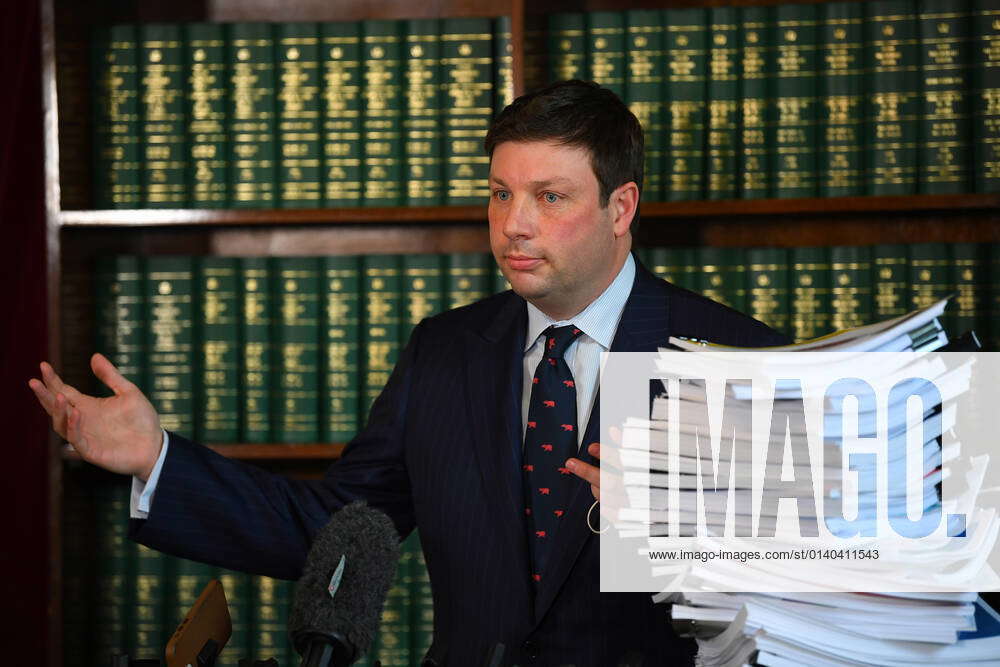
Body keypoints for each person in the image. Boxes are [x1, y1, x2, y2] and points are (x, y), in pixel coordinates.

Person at [30, 80, 789, 666]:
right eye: (500, 193)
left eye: (548, 197)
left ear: (621, 207)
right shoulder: (445, 351)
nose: (513, 223)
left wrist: (682, 522)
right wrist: (155, 459)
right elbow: (337, 532)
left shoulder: (734, 354)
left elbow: (804, 589)